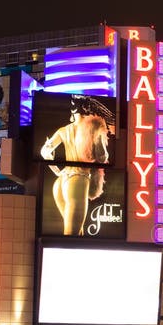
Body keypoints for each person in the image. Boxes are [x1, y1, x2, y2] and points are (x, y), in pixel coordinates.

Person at [40, 95, 115, 236]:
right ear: (87, 109)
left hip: (60, 182)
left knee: (77, 234)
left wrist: (57, 171)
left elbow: (44, 151)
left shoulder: (63, 130)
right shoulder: (94, 126)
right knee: (71, 235)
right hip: (78, 180)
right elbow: (102, 157)